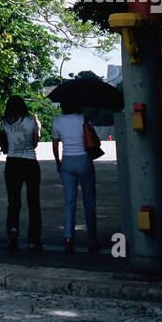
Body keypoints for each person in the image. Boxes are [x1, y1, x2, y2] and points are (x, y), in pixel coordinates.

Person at [51, 98, 99, 254]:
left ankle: (68, 238)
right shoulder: (84, 118)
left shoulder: (57, 121)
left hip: (67, 161)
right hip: (84, 159)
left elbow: (55, 145)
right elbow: (93, 139)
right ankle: (91, 240)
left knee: (69, 201)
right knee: (89, 201)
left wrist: (58, 162)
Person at [0, 96, 41, 251]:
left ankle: (13, 230)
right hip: (30, 162)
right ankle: (34, 236)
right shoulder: (31, 121)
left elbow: (3, 140)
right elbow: (35, 143)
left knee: (14, 201)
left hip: (12, 163)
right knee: (33, 201)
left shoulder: (4, 121)